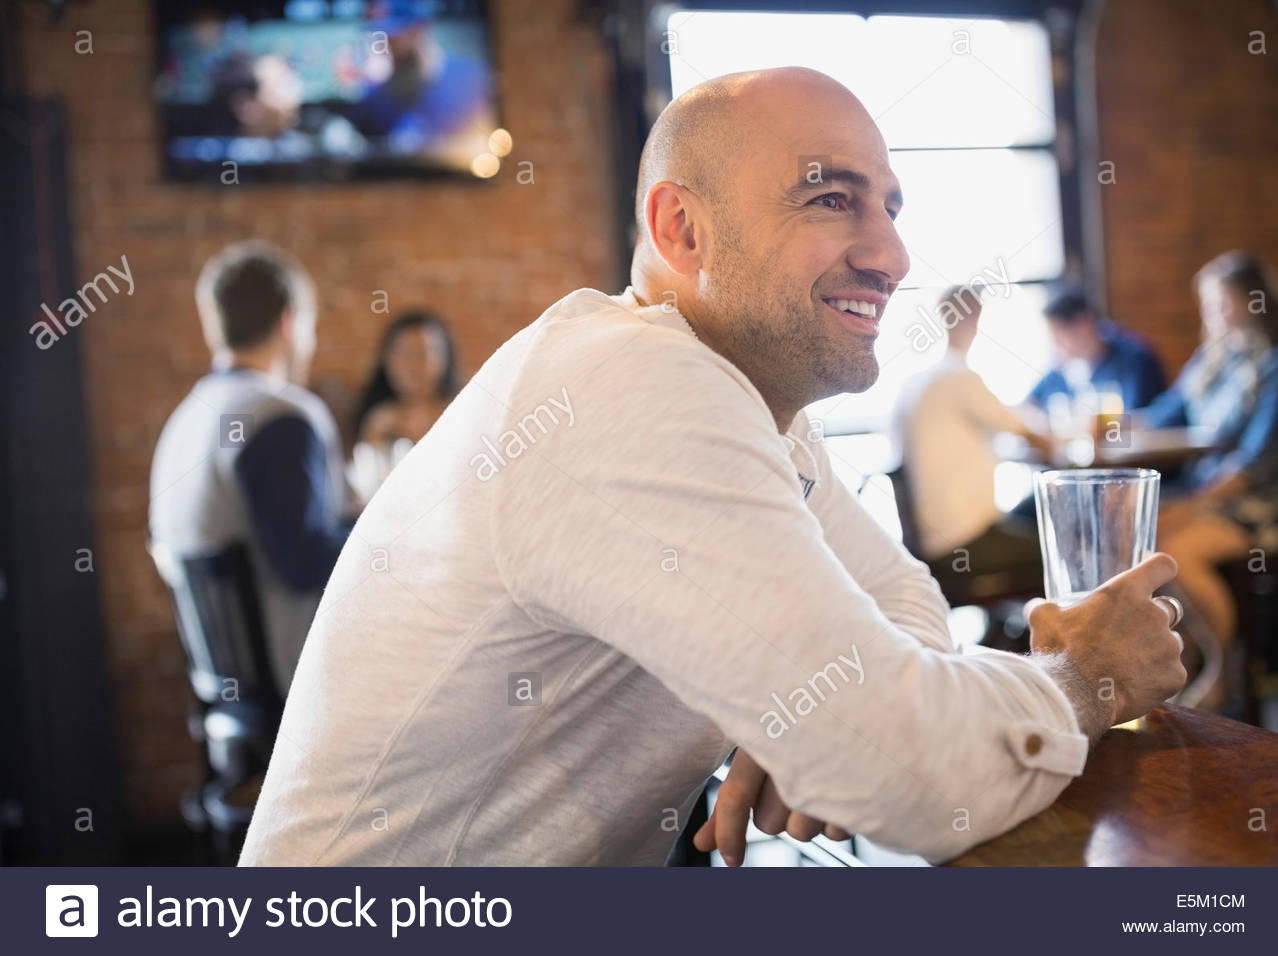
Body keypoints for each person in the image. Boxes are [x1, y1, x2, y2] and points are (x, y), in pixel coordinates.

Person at [239, 68, 1185, 868]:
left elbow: (905, 613)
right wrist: (1080, 679)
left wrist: (819, 721)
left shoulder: (746, 397)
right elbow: (908, 773)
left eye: (890, 208)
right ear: (682, 230)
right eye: (830, 198)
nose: (893, 254)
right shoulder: (633, 382)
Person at [149, 241, 353, 696]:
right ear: (289, 321)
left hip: (226, 680)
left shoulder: (185, 420)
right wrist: (383, 525)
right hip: (294, 680)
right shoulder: (278, 416)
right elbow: (302, 563)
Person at [1144, 252, 1278, 709]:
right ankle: (1181, 657)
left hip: (1276, 502)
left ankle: (1223, 669)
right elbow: (1166, 413)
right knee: (1146, 530)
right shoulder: (1216, 360)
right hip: (1218, 492)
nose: (1211, 313)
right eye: (1207, 304)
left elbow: (1259, 466)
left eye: (1220, 301)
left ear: (1254, 302)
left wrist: (1192, 504)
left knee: (1176, 549)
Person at [892, 285, 1048, 581]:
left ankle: (1008, 626)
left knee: (1031, 513)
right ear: (974, 318)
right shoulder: (959, 378)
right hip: (964, 540)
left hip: (929, 541)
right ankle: (1039, 626)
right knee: (1062, 551)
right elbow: (1028, 433)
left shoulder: (915, 383)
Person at [1027, 283, 1166, 414]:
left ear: (1083, 323)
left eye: (1059, 337)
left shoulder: (1134, 359)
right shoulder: (1065, 367)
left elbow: (1133, 417)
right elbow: (1030, 404)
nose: (1057, 346)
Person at [354, 310, 461, 448]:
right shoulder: (380, 423)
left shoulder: (461, 416)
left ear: (445, 357)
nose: (413, 364)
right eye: (405, 352)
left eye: (423, 353)